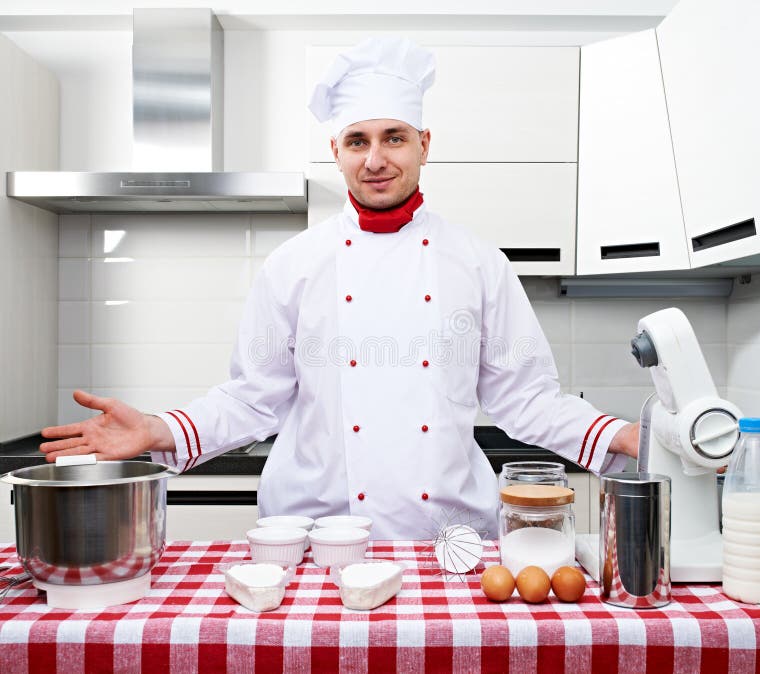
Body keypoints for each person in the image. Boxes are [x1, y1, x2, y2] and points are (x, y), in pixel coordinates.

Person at [40, 37, 638, 539]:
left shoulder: (479, 263)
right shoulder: (294, 265)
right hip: (316, 539)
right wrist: (158, 428)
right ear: (336, 152)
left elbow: (526, 398)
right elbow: (253, 399)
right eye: (358, 141)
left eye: (394, 137)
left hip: (447, 543)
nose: (376, 158)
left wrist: (626, 436)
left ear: (425, 145)